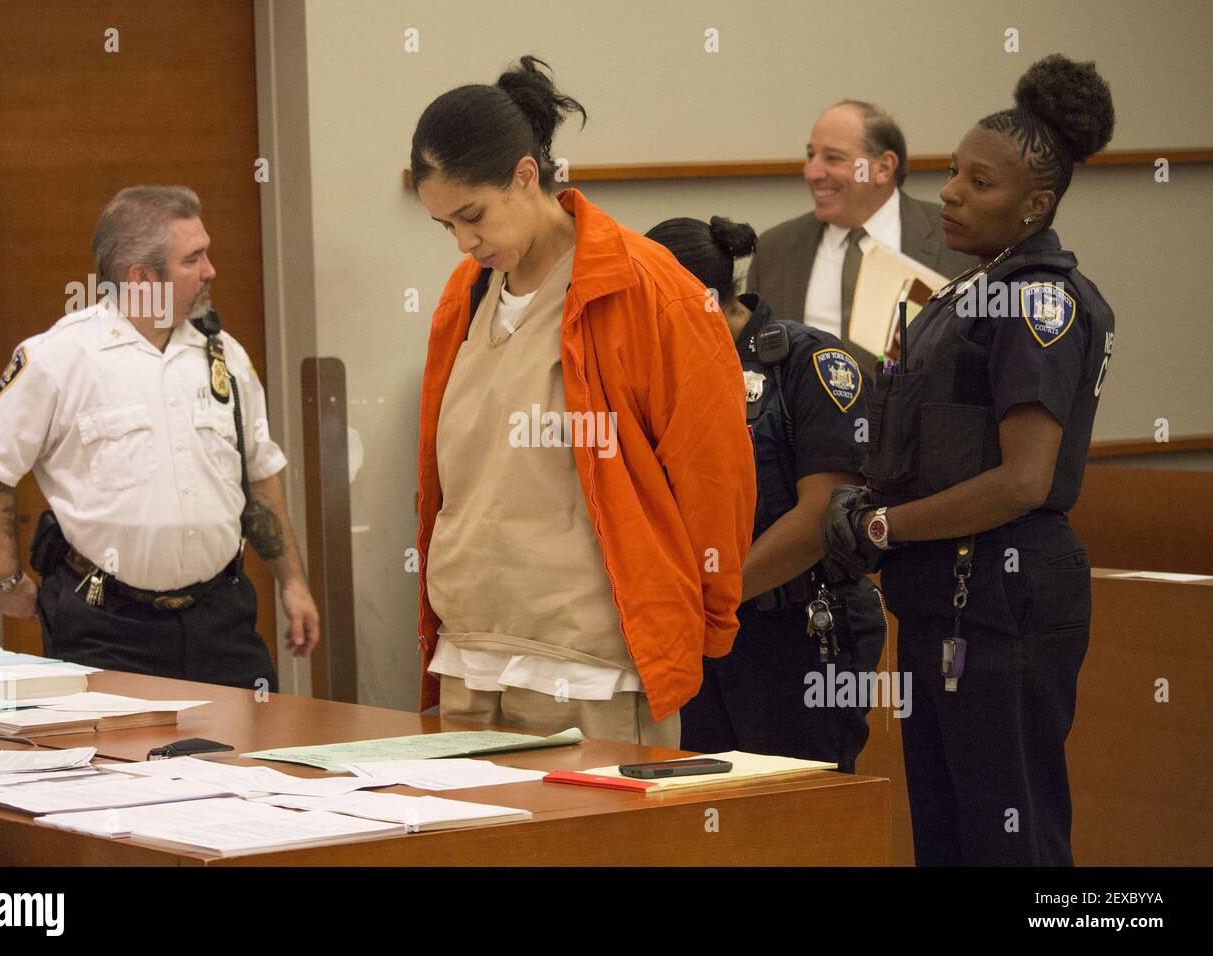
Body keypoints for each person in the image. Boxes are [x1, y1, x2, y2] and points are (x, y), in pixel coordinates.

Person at [823, 55, 1116, 865]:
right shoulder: (974, 288)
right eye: (952, 172)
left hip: (1002, 596)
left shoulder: (1038, 300)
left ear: (1037, 203)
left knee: (1010, 833)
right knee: (948, 836)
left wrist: (883, 525)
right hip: (944, 594)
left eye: (979, 183)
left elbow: (1024, 479)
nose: (949, 191)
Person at [410, 57, 755, 746]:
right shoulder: (465, 295)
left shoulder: (647, 286)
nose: (463, 242)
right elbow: (448, 478)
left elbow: (712, 468)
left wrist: (706, 620)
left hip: (590, 664)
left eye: (472, 217)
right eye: (445, 225)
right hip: (471, 651)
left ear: (526, 177)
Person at [0, 186, 319, 690]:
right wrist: (4, 580)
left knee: (245, 757)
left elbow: (260, 478)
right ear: (141, 277)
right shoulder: (60, 357)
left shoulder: (226, 357)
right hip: (104, 624)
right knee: (111, 766)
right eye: (193, 258)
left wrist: (293, 582)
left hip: (221, 617)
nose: (211, 270)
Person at [647, 216, 886, 773]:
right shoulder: (663, 373)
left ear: (701, 299)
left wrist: (713, 602)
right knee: (701, 818)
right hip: (699, 636)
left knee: (795, 823)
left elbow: (823, 512)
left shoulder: (810, 363)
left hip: (799, 631)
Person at [748, 100, 976, 371]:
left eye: (833, 158)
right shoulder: (775, 249)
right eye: (811, 156)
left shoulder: (958, 243)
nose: (812, 173)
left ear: (883, 167)